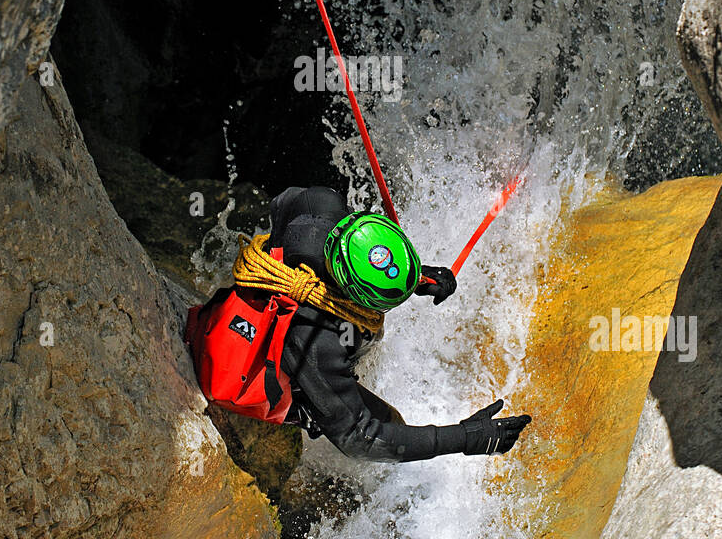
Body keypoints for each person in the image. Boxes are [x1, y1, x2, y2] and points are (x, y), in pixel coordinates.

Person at [185, 184, 531, 464]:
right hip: (263, 361)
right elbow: (359, 438)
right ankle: (307, 407)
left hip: (291, 296)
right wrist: (464, 438)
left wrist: (417, 278)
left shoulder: (319, 204)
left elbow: (283, 203)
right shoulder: (316, 341)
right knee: (390, 425)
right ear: (349, 294)